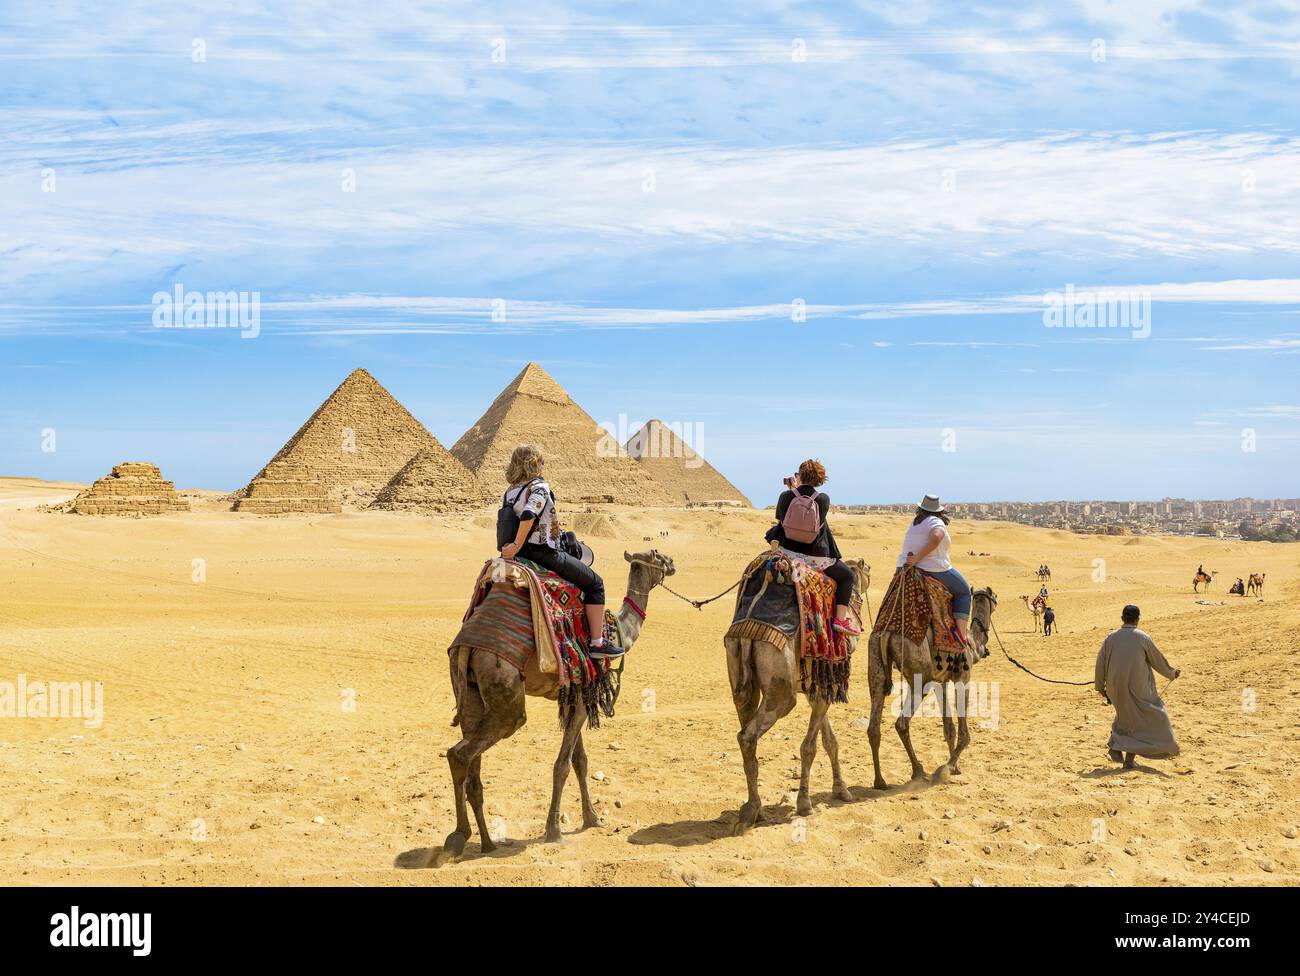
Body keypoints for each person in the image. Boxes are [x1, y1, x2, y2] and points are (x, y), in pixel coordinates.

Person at [498, 444, 620, 659]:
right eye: (541, 462)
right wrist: (517, 544)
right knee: (595, 584)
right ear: (535, 463)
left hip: (518, 555)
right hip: (543, 553)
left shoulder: (510, 492)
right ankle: (597, 644)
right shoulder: (539, 487)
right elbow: (529, 514)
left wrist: (513, 548)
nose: (543, 466)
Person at [764, 459, 859, 635]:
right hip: (816, 557)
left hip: (787, 552)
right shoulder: (823, 499)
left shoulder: (785, 496)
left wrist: (792, 490)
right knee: (847, 576)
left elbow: (782, 518)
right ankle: (840, 620)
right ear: (819, 479)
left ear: (800, 476)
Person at [1094, 604, 1180, 769]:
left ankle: (1122, 754)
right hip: (1138, 689)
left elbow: (1100, 663)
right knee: (1152, 717)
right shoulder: (1143, 637)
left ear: (1122, 619)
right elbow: (1157, 660)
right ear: (1138, 619)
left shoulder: (1110, 637)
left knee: (1126, 718)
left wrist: (1100, 687)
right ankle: (1121, 751)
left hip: (1114, 688)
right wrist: (1171, 673)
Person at [896, 494, 973, 645]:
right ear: (939, 511)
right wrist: (917, 558)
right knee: (964, 591)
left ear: (921, 508)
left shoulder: (915, 523)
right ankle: (961, 633)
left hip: (903, 568)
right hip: (933, 568)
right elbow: (936, 537)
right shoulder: (935, 522)